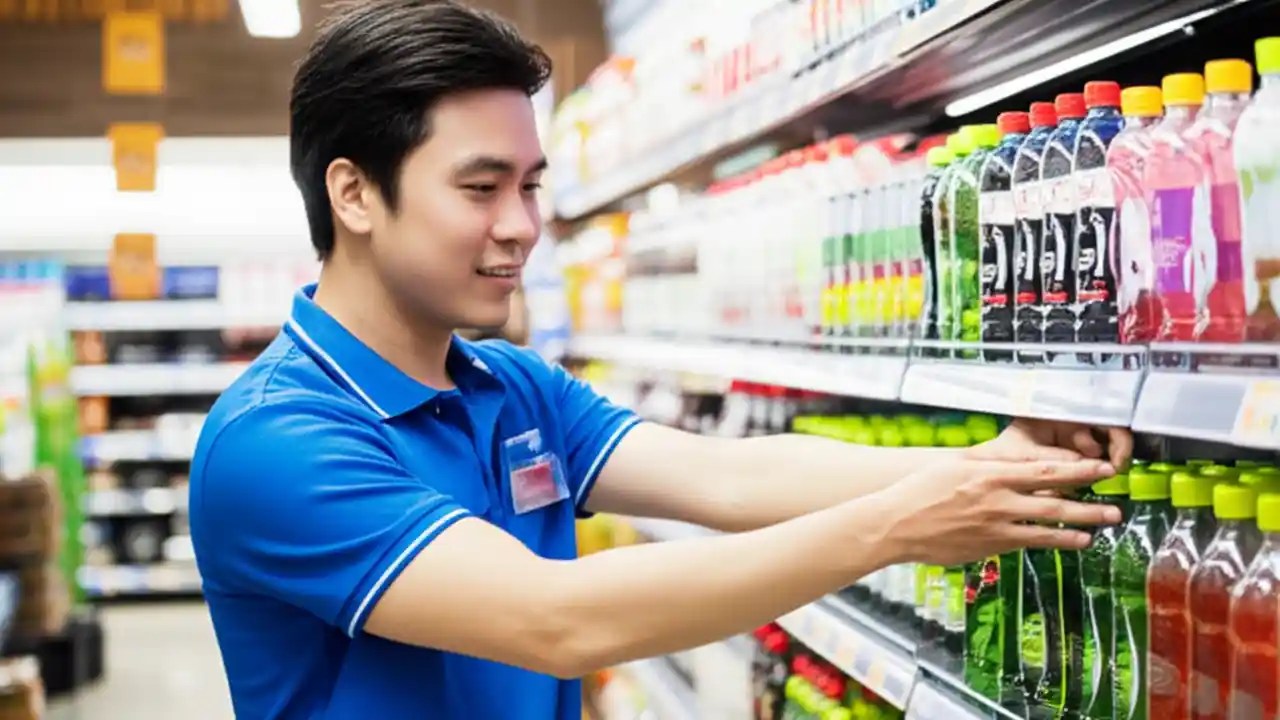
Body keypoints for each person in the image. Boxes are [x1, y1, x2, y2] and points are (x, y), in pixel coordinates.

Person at [188, 2, 1132, 718]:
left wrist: (984, 467)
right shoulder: (277, 439)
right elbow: (557, 621)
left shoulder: (505, 384)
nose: (520, 228)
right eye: (480, 188)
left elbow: (723, 473)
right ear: (352, 194)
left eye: (530, 187)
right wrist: (899, 526)